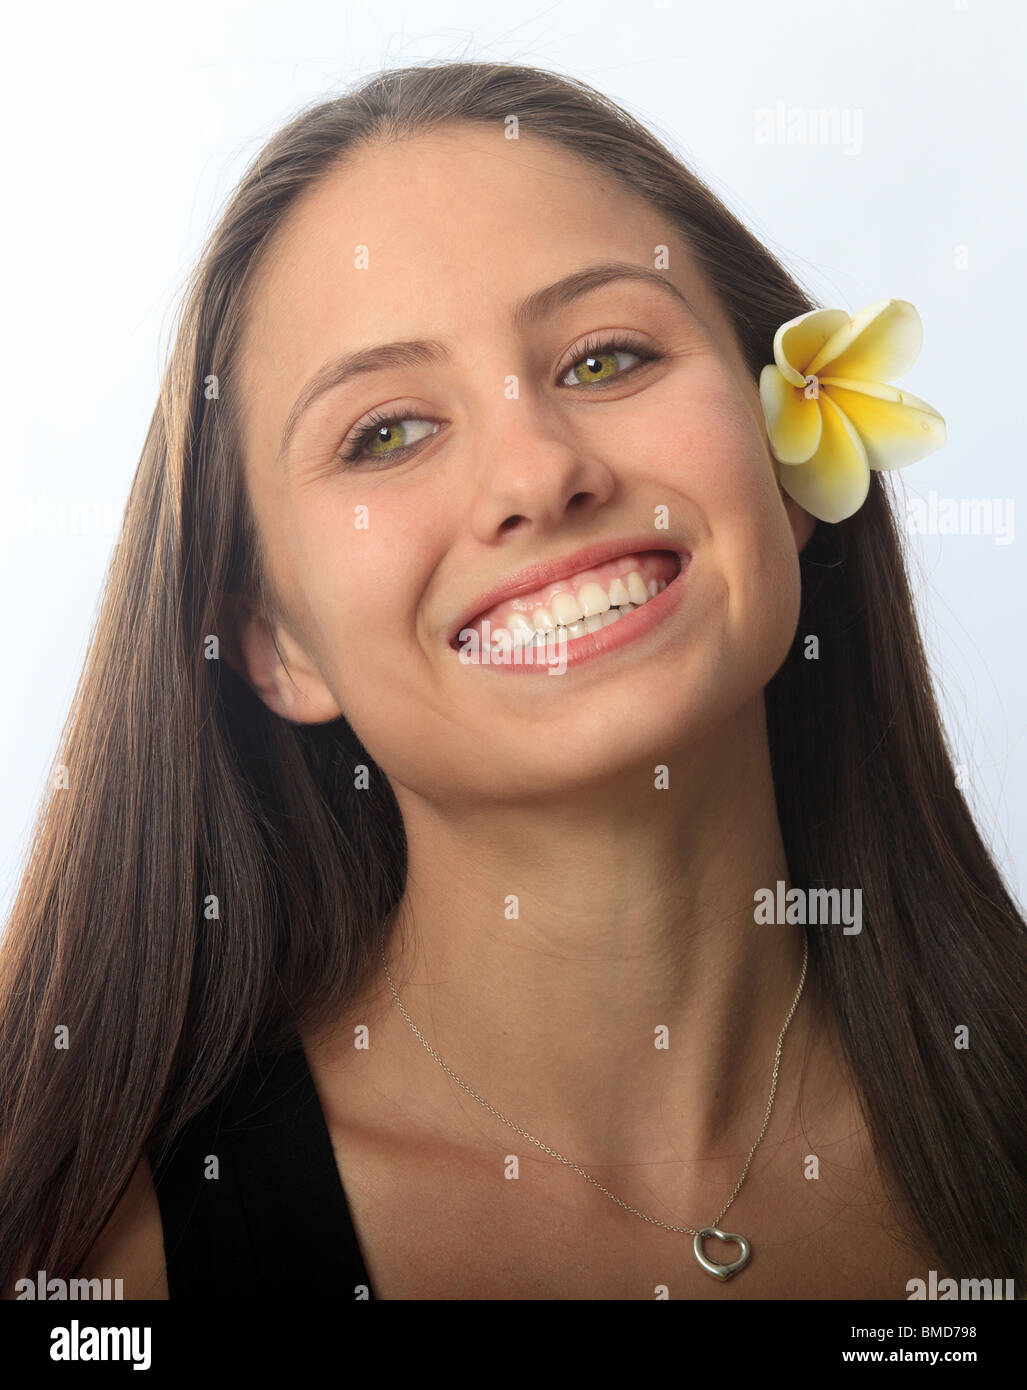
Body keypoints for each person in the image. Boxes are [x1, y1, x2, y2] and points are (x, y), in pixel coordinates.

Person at [2, 60, 1024, 1302]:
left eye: (603, 358)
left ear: (787, 451)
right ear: (275, 646)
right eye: (388, 431)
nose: (538, 474)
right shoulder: (99, 1272)